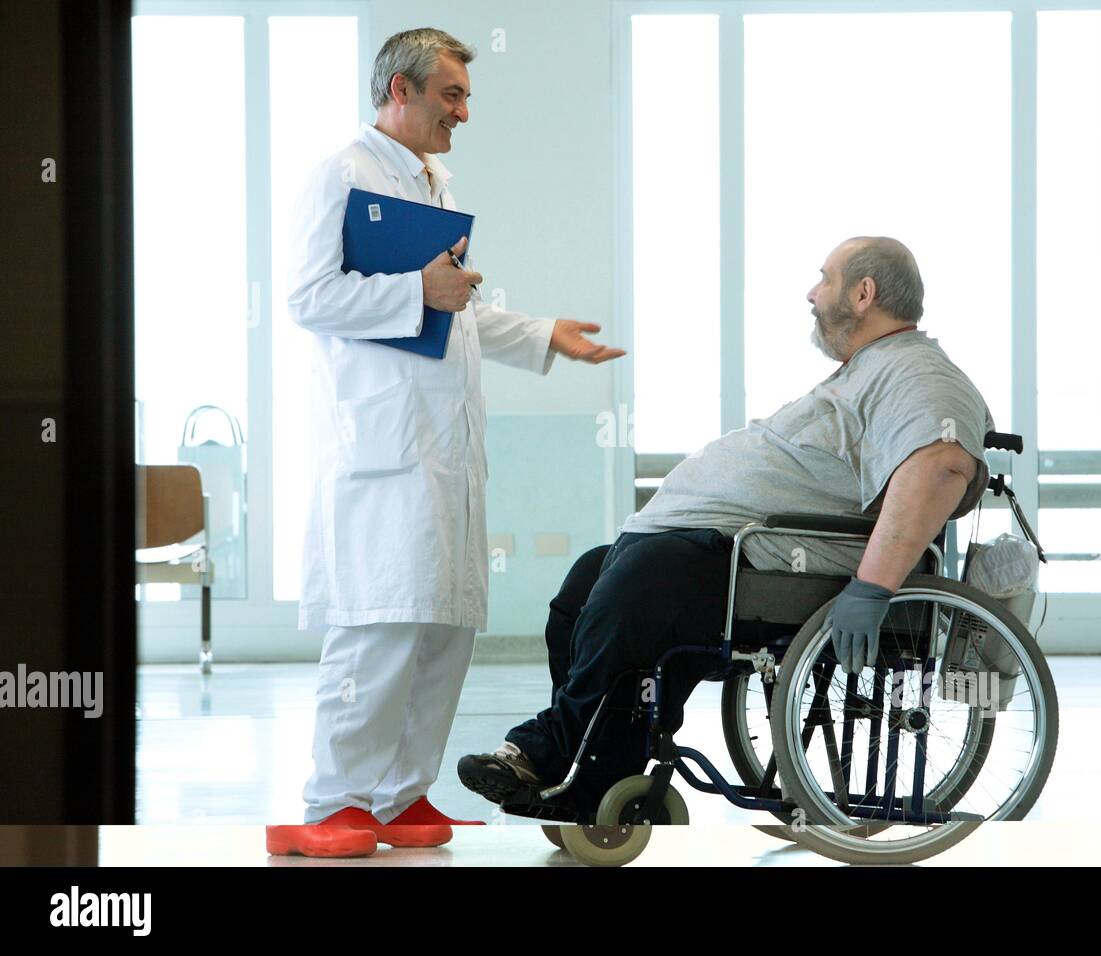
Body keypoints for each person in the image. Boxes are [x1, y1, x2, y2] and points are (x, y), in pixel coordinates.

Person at [458, 236, 993, 818]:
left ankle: (551, 755)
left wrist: (873, 588)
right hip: (716, 547)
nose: (812, 294)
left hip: (762, 559)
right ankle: (596, 771)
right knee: (585, 589)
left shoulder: (918, 373)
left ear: (863, 294)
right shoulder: (869, 370)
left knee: (640, 589)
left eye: (825, 279)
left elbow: (943, 466)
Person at [265, 28, 624, 859]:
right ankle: (336, 799)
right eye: (451, 95)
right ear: (400, 88)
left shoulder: (426, 181)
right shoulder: (342, 174)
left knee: (442, 623)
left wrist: (542, 334)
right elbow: (308, 297)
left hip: (445, 446)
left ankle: (400, 796)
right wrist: (412, 289)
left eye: (464, 97)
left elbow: (451, 309)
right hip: (381, 446)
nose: (463, 113)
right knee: (381, 623)